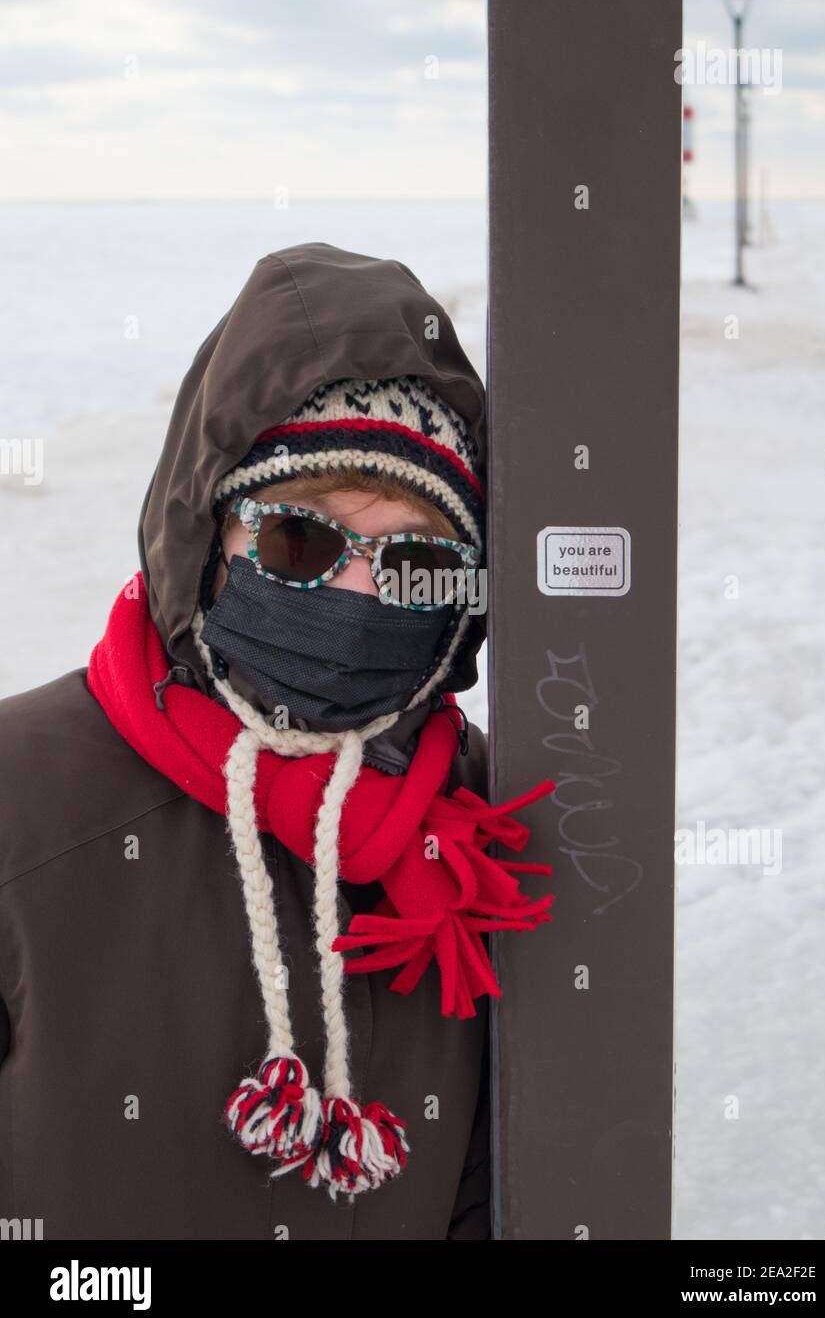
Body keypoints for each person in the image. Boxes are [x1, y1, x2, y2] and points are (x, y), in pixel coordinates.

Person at [0, 242, 554, 1240]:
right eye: (301, 541)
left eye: (417, 559)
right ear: (207, 541)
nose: (355, 596)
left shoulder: (485, 829)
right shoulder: (20, 797)